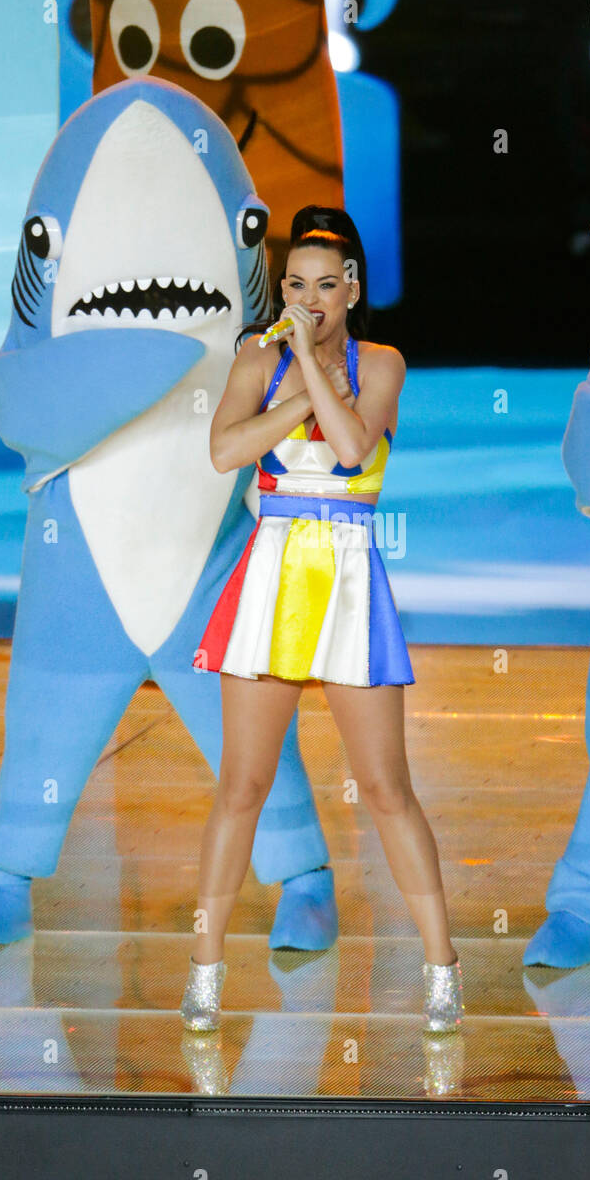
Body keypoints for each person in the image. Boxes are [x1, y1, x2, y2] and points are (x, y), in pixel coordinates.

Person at [180, 205, 462, 1033]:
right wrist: (297, 381)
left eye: (325, 285)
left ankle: (441, 966)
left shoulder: (382, 363)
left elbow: (347, 449)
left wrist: (307, 364)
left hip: (346, 578)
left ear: (352, 289)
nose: (308, 297)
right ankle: (205, 970)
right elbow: (226, 451)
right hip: (268, 576)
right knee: (242, 787)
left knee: (384, 787)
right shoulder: (253, 358)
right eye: (294, 284)